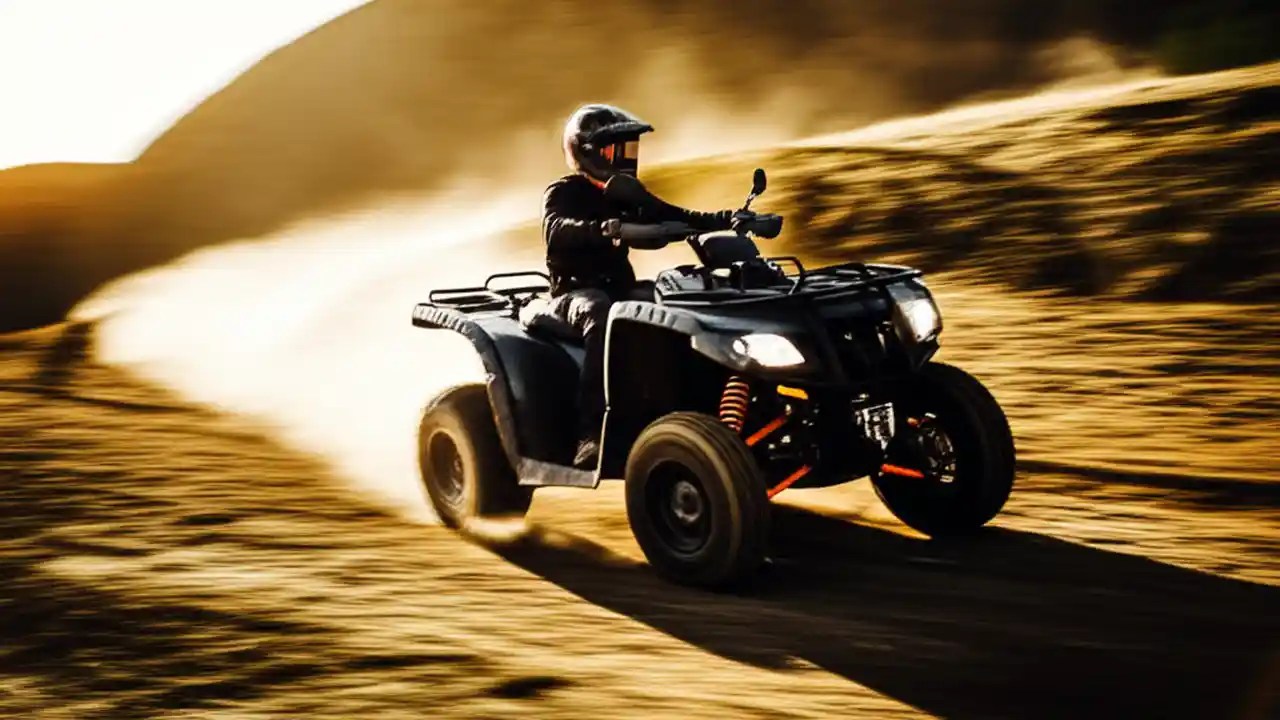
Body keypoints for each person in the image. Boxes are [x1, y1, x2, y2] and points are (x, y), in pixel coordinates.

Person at [542, 104, 740, 469]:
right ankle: (591, 433)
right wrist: (608, 230)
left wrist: (734, 219)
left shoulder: (627, 194)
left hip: (621, 289)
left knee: (683, 301)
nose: (627, 157)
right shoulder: (564, 191)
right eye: (617, 148)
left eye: (630, 148)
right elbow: (557, 230)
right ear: (587, 151)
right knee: (602, 316)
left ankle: (693, 408)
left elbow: (677, 216)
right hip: (574, 294)